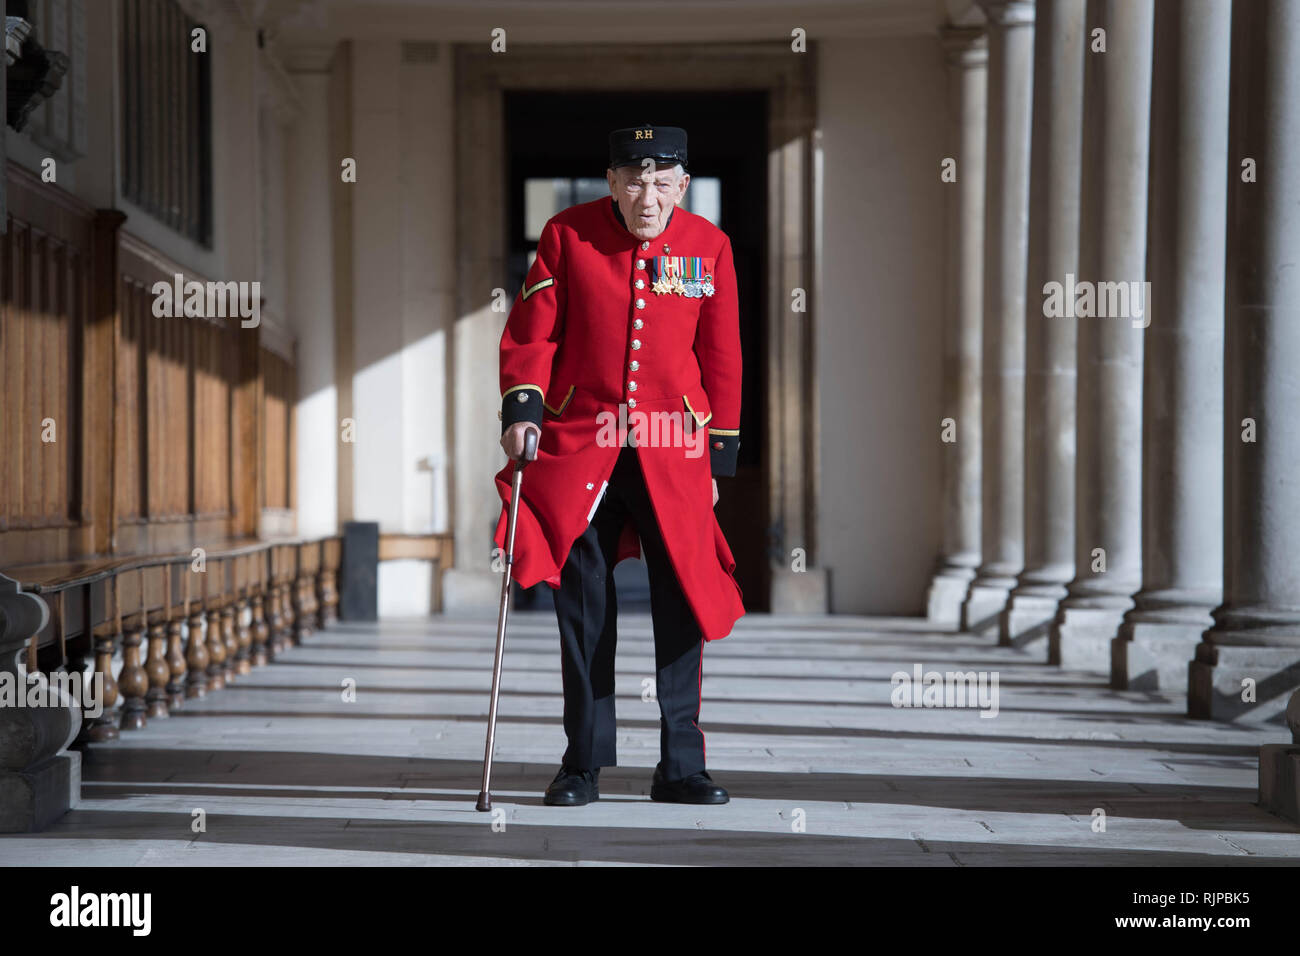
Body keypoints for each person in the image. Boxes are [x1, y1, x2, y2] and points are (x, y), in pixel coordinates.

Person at [494, 124, 744, 806]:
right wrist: (524, 408)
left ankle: (682, 766)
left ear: (682, 186)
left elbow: (722, 354)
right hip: (583, 445)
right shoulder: (567, 236)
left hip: (676, 450)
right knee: (584, 607)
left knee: (684, 600)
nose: (647, 196)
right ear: (611, 180)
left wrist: (719, 454)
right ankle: (582, 762)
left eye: (662, 183)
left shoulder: (709, 247)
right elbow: (533, 329)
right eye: (633, 180)